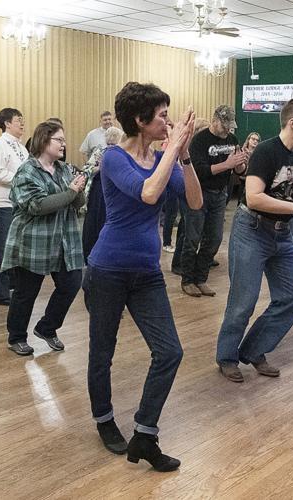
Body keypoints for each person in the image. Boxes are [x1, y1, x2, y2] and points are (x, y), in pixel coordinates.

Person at [84, 82, 201, 472]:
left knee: (170, 351)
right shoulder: (115, 158)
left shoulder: (163, 158)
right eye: (162, 115)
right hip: (107, 270)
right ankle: (104, 419)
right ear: (140, 120)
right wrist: (172, 150)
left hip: (147, 273)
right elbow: (149, 193)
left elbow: (195, 202)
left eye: (169, 115)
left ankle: (145, 435)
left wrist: (183, 156)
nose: (168, 121)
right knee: (103, 350)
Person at [216, 98, 293, 383]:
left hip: (282, 234)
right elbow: (254, 197)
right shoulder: (266, 151)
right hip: (252, 230)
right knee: (243, 301)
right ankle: (226, 357)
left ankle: (254, 349)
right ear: (292, 123)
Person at [1, 121, 86, 356]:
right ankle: (16, 337)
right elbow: (37, 205)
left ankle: (47, 328)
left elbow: (78, 203)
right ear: (44, 140)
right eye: (59, 139)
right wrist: (71, 192)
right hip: (33, 242)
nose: (64, 144)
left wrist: (79, 189)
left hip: (63, 239)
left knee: (71, 284)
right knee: (26, 292)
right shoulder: (27, 171)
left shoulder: (63, 169)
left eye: (63, 140)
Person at [178, 105, 246, 297]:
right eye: (224, 125)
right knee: (192, 238)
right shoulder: (200, 140)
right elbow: (198, 170)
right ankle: (187, 280)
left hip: (219, 195)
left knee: (214, 239)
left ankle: (201, 278)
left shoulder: (232, 140)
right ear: (215, 120)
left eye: (230, 126)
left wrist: (240, 163)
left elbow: (239, 171)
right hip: (199, 193)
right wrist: (227, 164)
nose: (227, 130)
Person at [0, 108, 30, 306]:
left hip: (15, 202)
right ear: (7, 123)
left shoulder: (20, 147)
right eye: (18, 120)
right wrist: (21, 180)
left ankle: (10, 285)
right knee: (2, 248)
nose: (22, 124)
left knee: (14, 247)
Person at [171, 118, 211, 272]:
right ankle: (178, 264)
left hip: (197, 192)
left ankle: (183, 262)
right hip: (187, 193)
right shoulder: (191, 148)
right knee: (186, 230)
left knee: (188, 229)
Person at [82, 126, 124, 261]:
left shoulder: (124, 154)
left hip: (115, 193)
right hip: (98, 191)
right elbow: (86, 170)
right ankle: (90, 255)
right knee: (94, 223)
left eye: (114, 144)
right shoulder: (99, 151)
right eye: (109, 143)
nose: (111, 146)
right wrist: (100, 167)